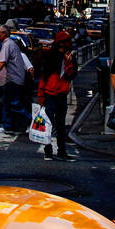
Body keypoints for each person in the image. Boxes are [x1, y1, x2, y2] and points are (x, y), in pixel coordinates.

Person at [36, 30, 77, 161]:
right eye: (67, 41)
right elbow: (44, 76)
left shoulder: (70, 57)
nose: (70, 43)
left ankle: (61, 151)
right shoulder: (51, 56)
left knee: (60, 125)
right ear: (61, 43)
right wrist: (41, 95)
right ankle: (48, 151)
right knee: (49, 124)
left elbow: (71, 74)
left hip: (61, 94)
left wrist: (69, 62)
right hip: (50, 93)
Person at [0, 24, 31, 135]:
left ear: (4, 34)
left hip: (13, 80)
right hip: (11, 79)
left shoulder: (7, 45)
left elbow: (2, 62)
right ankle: (7, 126)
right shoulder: (9, 44)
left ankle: (31, 120)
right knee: (6, 104)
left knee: (14, 104)